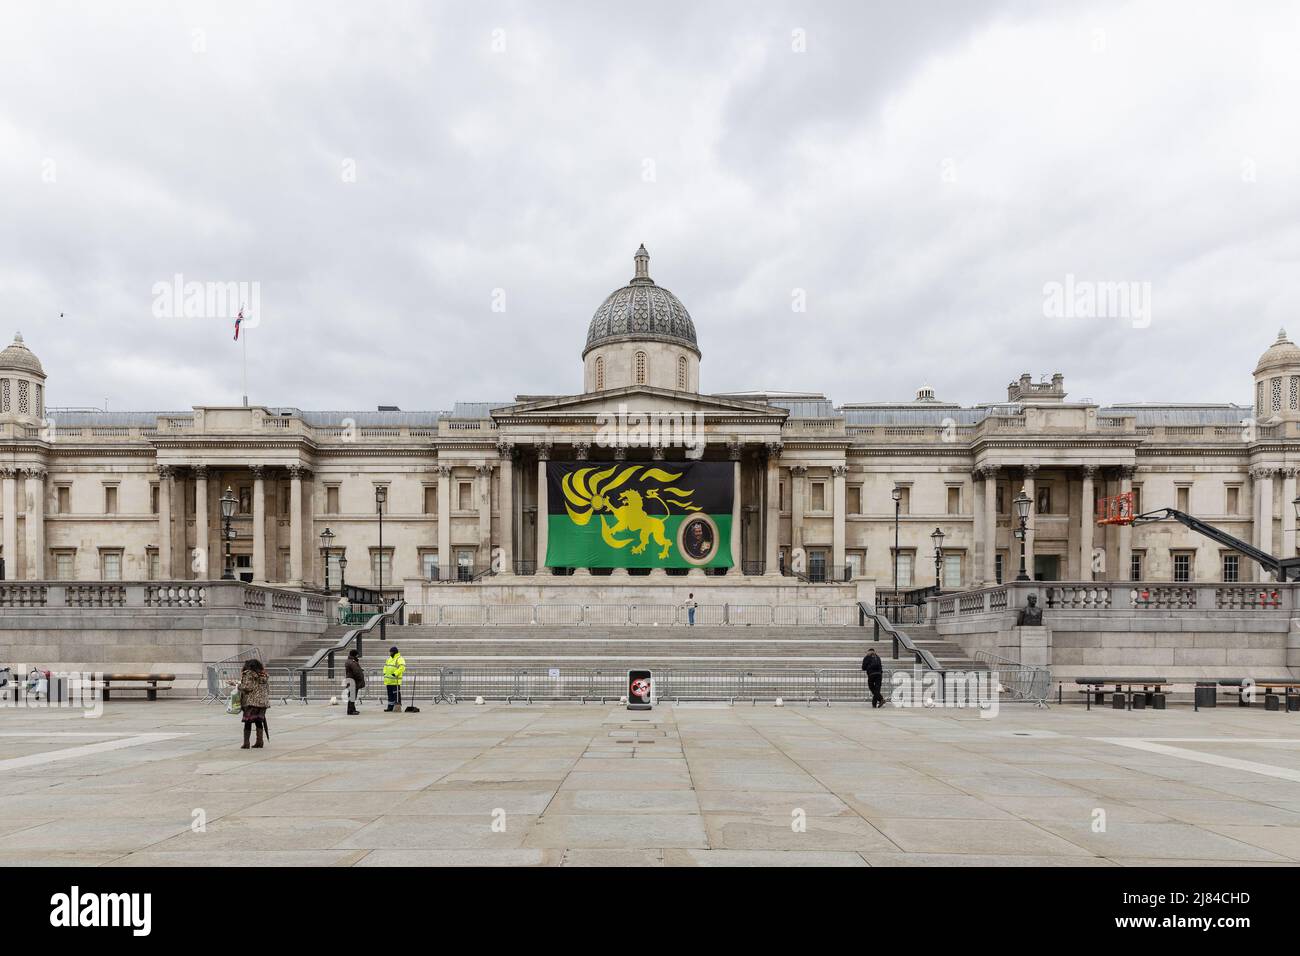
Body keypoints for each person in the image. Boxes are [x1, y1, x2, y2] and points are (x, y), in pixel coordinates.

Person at [237, 659, 271, 748]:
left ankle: (246, 743)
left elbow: (248, 687)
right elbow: (267, 689)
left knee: (247, 722)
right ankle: (259, 742)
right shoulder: (264, 675)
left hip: (252, 702)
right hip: (263, 703)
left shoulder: (248, 673)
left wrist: (237, 685)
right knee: (258, 721)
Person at [382, 645, 405, 712]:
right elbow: (385, 666)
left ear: (394, 652)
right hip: (388, 680)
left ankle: (397, 707)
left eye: (391, 652)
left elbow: (402, 668)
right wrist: (384, 672)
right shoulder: (389, 659)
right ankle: (390, 707)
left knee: (396, 694)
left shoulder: (399, 658)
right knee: (390, 695)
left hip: (395, 680)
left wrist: (395, 673)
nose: (390, 653)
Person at [345, 648, 365, 716]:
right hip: (353, 681)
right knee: (352, 696)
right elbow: (356, 672)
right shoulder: (352, 662)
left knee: (352, 696)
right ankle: (351, 710)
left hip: (351, 680)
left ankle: (352, 709)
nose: (358, 656)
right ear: (354, 655)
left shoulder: (349, 661)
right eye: (357, 655)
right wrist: (360, 677)